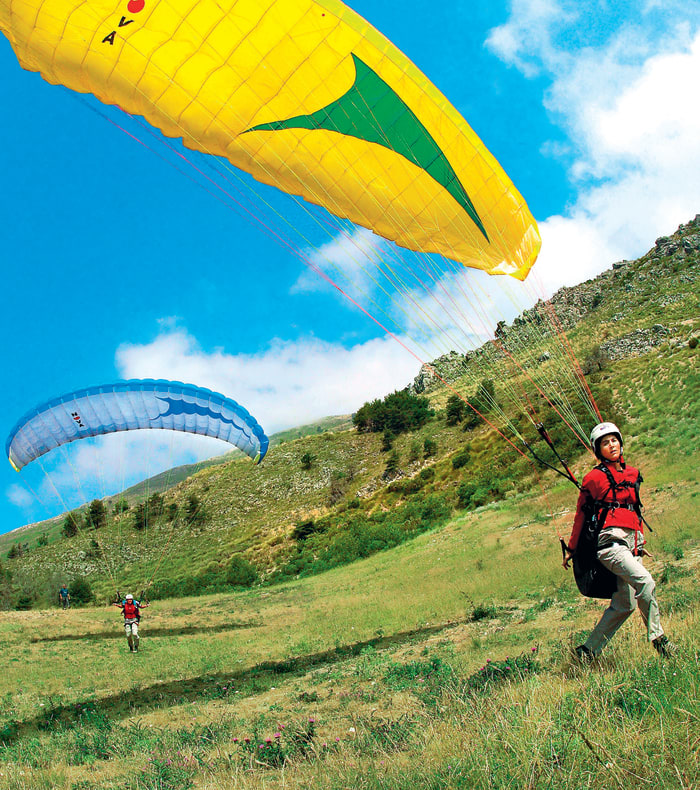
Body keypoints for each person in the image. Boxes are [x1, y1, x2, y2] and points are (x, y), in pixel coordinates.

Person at [563, 422, 675, 660]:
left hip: (631, 542)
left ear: (621, 443)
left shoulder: (632, 473)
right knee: (645, 581)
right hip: (609, 542)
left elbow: (635, 510)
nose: (611, 445)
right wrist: (572, 548)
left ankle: (586, 653)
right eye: (605, 443)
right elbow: (581, 514)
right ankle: (659, 639)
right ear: (598, 449)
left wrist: (639, 544)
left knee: (625, 604)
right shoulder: (593, 478)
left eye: (614, 440)